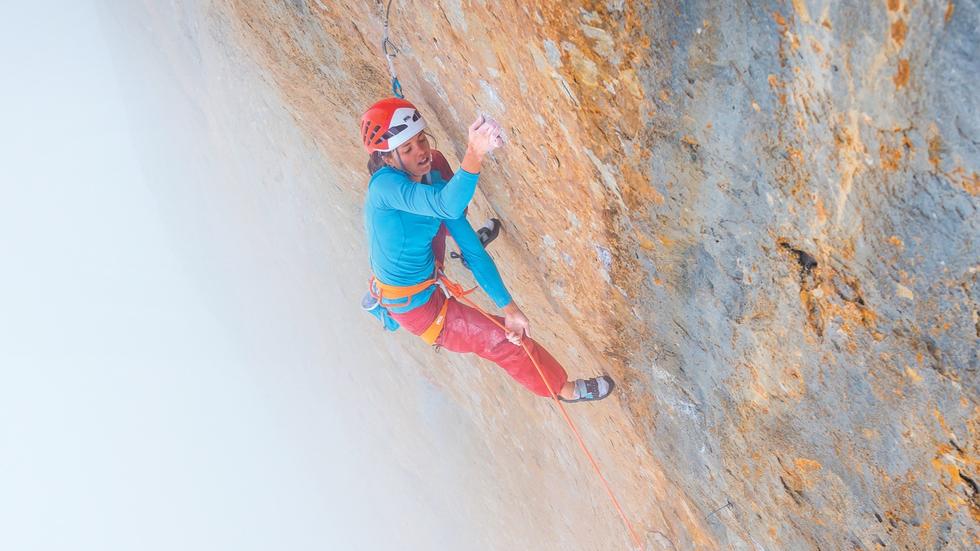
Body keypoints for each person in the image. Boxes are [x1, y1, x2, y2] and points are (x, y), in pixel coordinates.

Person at [360, 97, 614, 403]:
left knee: (440, 169)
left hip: (426, 259)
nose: (421, 152)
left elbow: (474, 250)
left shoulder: (430, 171)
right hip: (417, 309)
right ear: (387, 159)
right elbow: (444, 204)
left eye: (421, 140)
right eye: (408, 149)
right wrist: (475, 152)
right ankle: (564, 389)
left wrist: (510, 307)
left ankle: (455, 232)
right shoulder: (383, 189)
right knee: (503, 341)